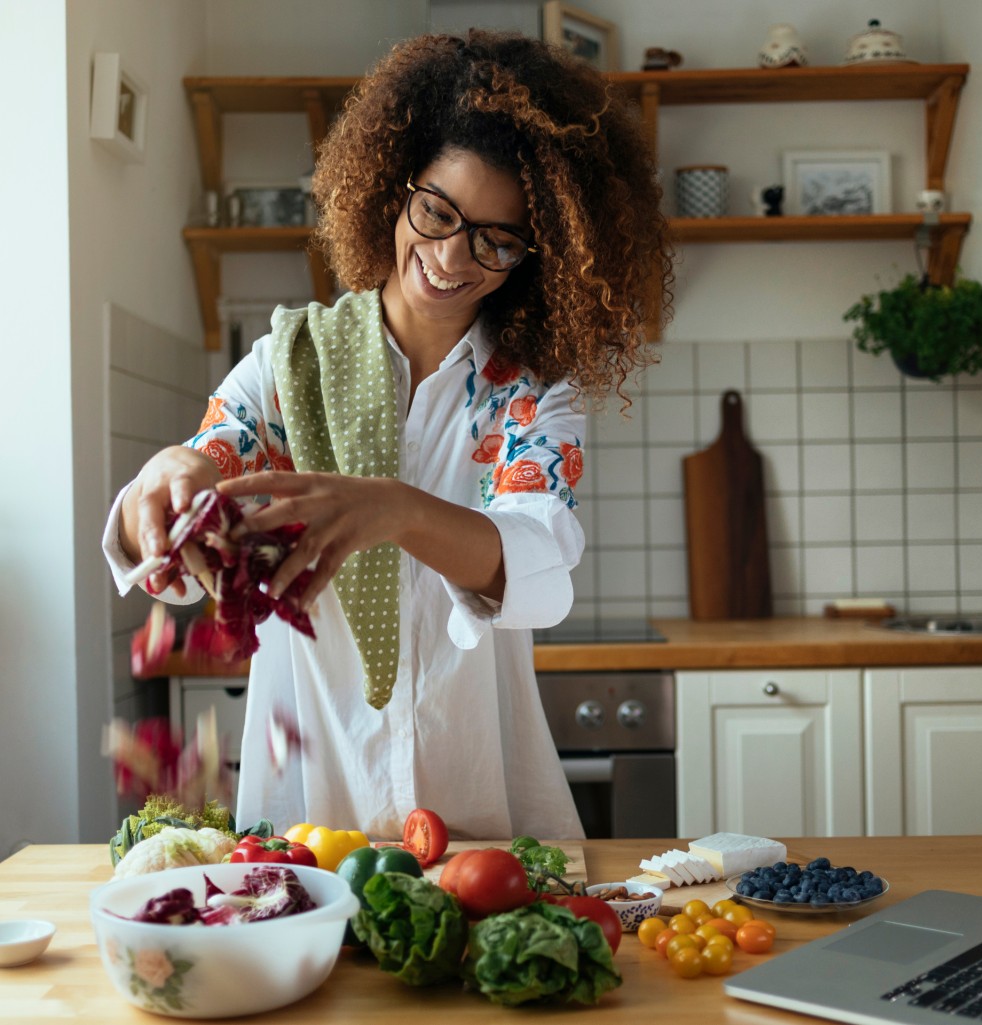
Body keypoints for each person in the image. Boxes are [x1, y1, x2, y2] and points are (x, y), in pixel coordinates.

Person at [103, 28, 672, 840]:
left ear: (534, 257)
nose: (449, 256)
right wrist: (166, 479)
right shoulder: (289, 363)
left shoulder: (531, 397)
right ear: (392, 187)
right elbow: (185, 525)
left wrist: (396, 510)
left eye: (495, 239)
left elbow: (541, 571)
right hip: (310, 810)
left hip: (482, 816)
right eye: (436, 210)